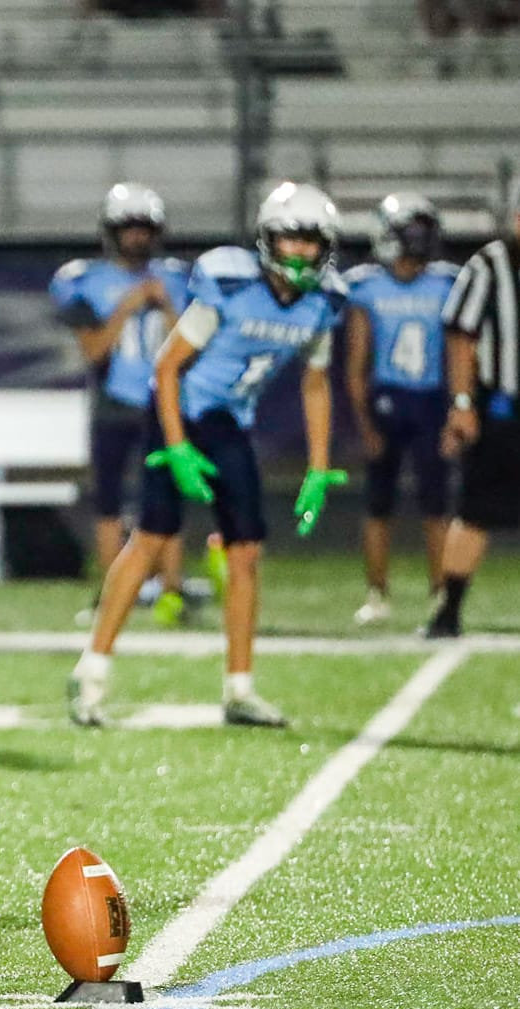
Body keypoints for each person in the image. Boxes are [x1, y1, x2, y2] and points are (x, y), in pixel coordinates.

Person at [68, 181, 350, 728]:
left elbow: (316, 382)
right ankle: (91, 671)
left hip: (227, 422)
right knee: (151, 539)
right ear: (268, 240)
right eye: (290, 239)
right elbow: (167, 367)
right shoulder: (232, 286)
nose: (300, 252)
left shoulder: (323, 303)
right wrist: (175, 445)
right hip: (179, 410)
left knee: (245, 552)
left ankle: (239, 689)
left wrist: (318, 465)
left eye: (311, 241)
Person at [51, 183, 192, 626]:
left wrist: (165, 307)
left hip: (165, 401)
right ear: (111, 232)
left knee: (169, 498)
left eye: (144, 228)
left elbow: (193, 346)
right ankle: (111, 595)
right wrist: (128, 306)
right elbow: (94, 351)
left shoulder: (177, 280)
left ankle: (172, 592)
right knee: (108, 501)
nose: (137, 237)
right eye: (129, 228)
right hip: (114, 400)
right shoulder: (86, 281)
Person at [342, 192, 459, 625]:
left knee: (436, 504)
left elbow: (458, 352)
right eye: (411, 231)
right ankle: (376, 593)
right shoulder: (367, 286)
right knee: (378, 503)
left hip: (430, 398)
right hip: (387, 397)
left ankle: (442, 593)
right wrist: (365, 423)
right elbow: (357, 363)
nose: (418, 240)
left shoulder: (445, 283)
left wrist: (456, 408)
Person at [423, 180, 520, 638]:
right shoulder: (489, 265)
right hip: (503, 407)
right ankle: (448, 611)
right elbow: (461, 337)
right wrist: (462, 403)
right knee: (475, 511)